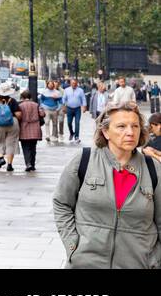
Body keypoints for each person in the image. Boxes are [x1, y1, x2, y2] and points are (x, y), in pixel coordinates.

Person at [53, 101, 161, 269]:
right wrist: (72, 245)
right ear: (105, 131)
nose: (130, 132)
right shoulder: (83, 160)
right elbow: (62, 203)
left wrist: (155, 258)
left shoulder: (153, 169)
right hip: (86, 263)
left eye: (135, 126)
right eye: (121, 126)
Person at [0, 83, 21, 173]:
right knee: (11, 143)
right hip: (12, 123)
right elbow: (19, 115)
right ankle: (9, 164)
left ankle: (1, 158)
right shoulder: (13, 101)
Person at [16, 88, 46, 172]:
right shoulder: (36, 105)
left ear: (22, 97)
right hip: (35, 127)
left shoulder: (20, 105)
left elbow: (18, 116)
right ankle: (32, 164)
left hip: (24, 127)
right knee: (33, 147)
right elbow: (42, 114)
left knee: (25, 147)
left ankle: (28, 163)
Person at [39, 79, 65, 145]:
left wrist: (58, 108)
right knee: (47, 122)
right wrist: (42, 106)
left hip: (54, 109)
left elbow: (60, 101)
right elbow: (41, 99)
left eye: (51, 84)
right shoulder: (44, 92)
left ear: (53, 85)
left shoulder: (57, 92)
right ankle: (47, 135)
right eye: (49, 84)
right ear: (47, 85)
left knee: (55, 123)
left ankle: (53, 135)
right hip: (46, 109)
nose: (50, 85)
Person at [63, 78, 86, 143]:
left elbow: (83, 98)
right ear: (70, 83)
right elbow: (64, 98)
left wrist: (84, 106)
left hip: (77, 109)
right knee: (69, 123)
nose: (74, 84)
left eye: (75, 83)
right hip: (69, 108)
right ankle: (71, 133)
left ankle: (76, 137)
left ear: (77, 83)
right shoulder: (66, 90)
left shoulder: (80, 90)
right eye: (73, 83)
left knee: (77, 123)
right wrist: (64, 106)